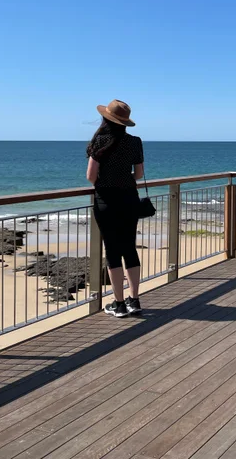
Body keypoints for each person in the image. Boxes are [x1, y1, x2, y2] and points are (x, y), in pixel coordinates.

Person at [86, 99, 145, 317]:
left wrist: (109, 180)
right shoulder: (135, 142)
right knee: (129, 248)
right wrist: (123, 179)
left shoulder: (99, 141)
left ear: (106, 118)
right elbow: (138, 175)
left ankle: (119, 304)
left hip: (106, 201)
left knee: (112, 250)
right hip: (129, 199)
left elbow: (91, 177)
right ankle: (135, 300)